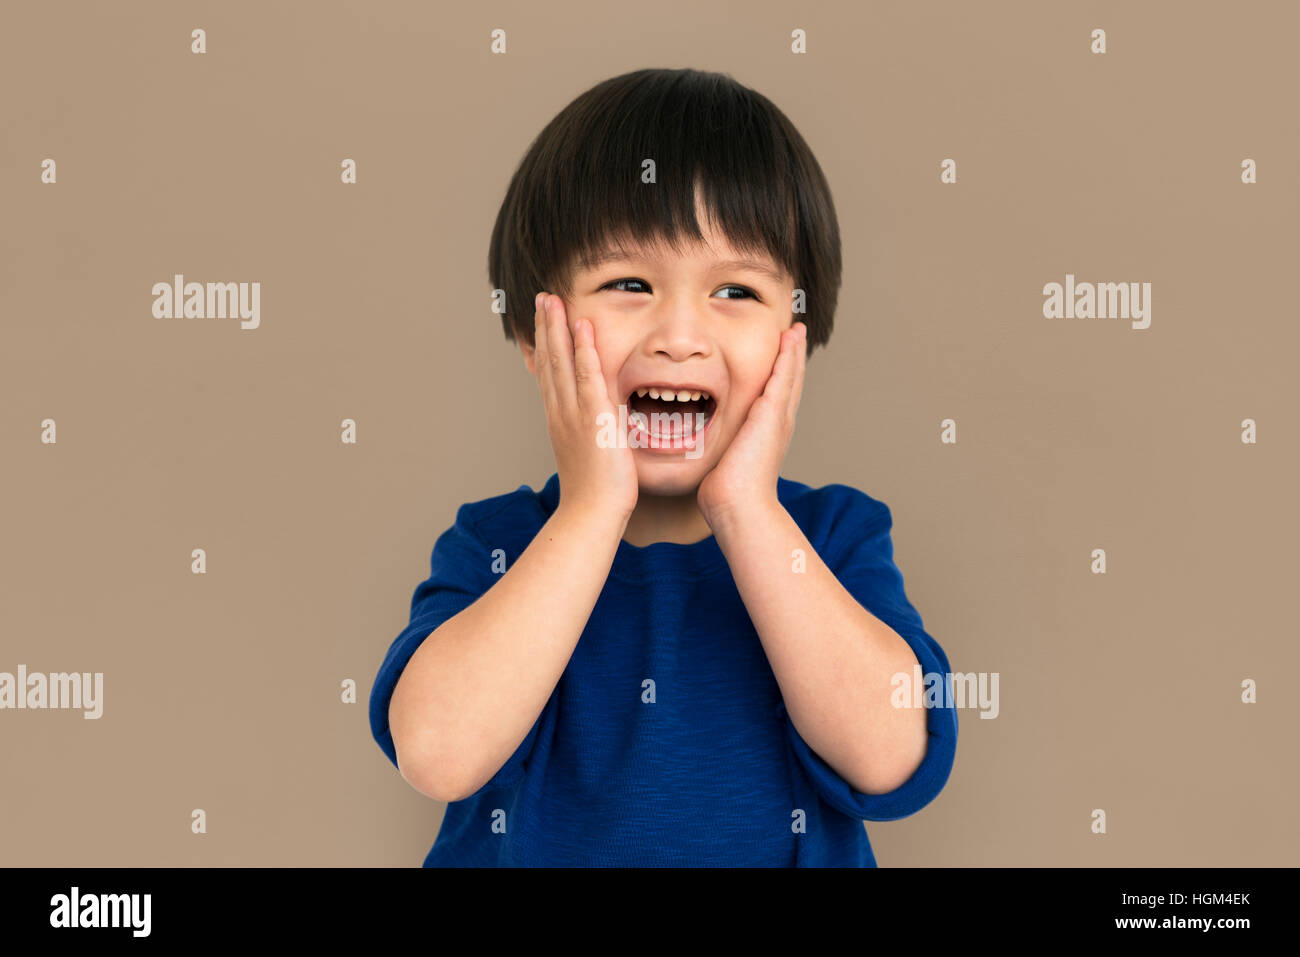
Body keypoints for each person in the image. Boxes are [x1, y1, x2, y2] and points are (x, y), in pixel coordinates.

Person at [369, 67, 958, 866]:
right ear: (535, 337)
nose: (679, 334)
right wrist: (590, 510)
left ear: (796, 338)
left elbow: (891, 756)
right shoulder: (500, 543)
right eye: (629, 283)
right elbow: (437, 750)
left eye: (737, 291)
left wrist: (747, 508)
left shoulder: (828, 538)